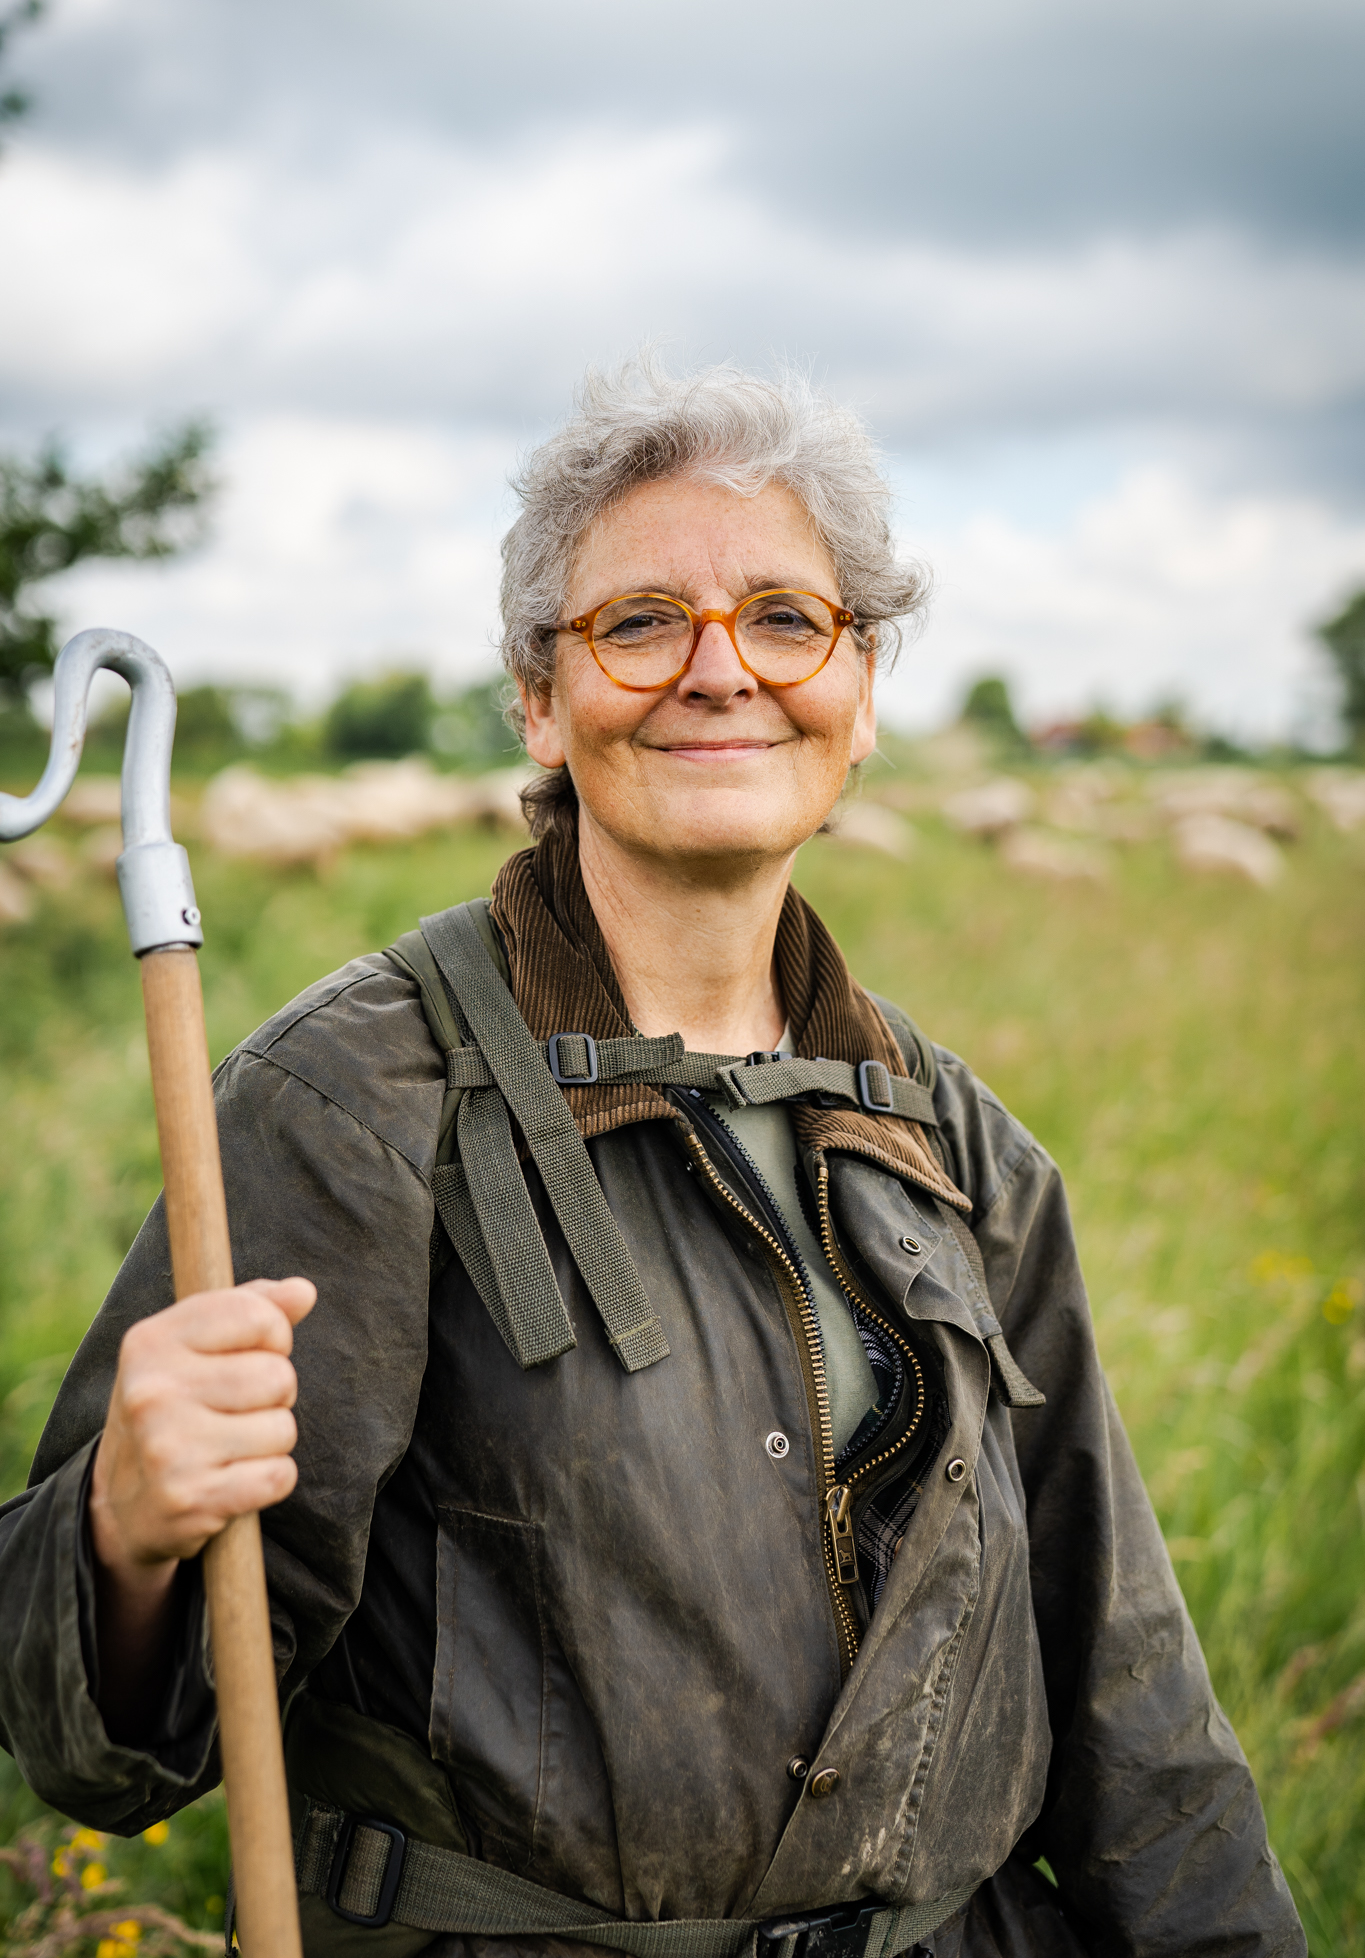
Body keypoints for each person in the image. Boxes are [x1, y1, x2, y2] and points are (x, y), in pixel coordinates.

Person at [0, 361, 1303, 1958]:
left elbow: (1131, 1704)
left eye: (782, 619)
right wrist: (126, 1530)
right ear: (540, 700)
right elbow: (96, 1744)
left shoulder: (957, 1142)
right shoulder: (354, 1109)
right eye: (636, 625)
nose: (716, 673)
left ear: (861, 685)